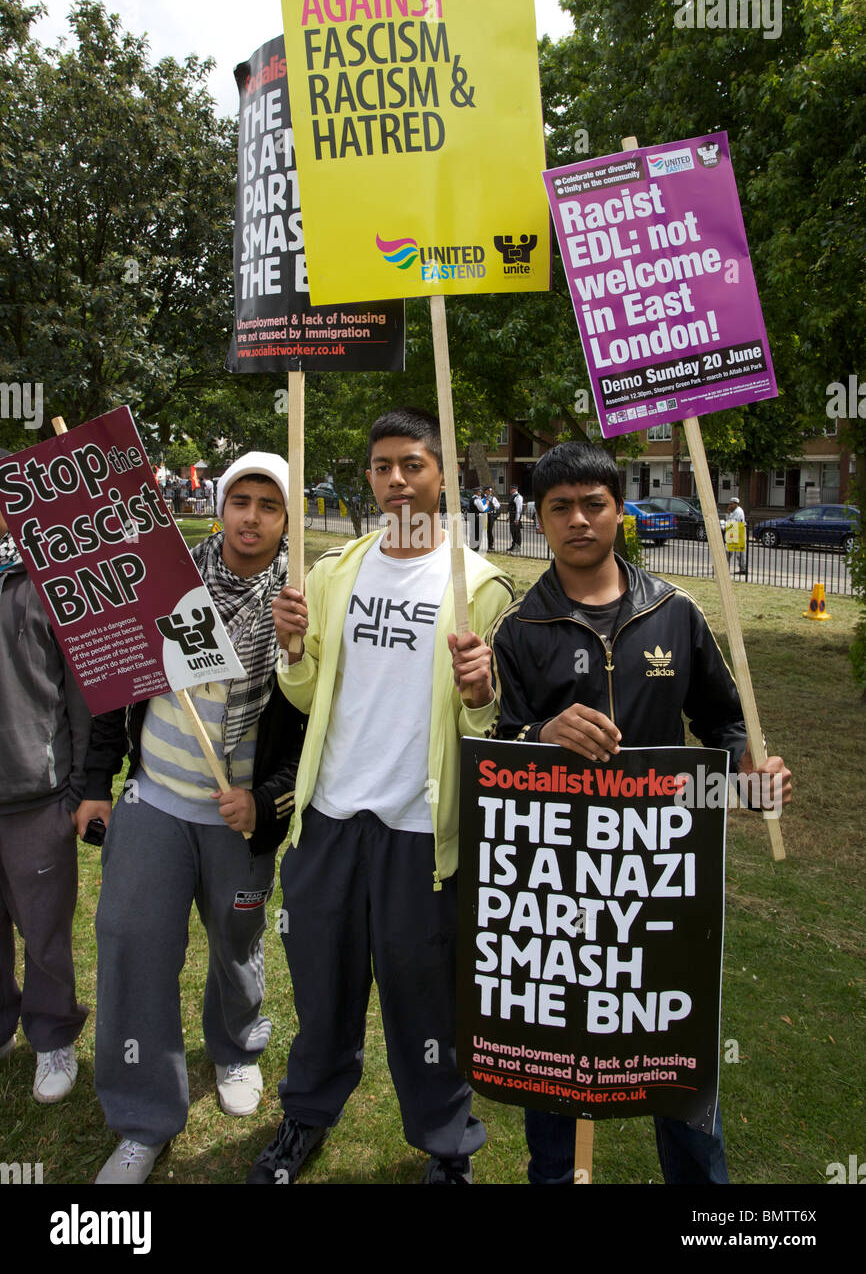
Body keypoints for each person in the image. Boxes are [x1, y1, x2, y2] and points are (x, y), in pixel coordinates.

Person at [488, 442, 791, 1185]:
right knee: (554, 1065)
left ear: (619, 512)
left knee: (676, 1066)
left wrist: (747, 775)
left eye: (594, 503)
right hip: (557, 887)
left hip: (665, 878)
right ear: (540, 519)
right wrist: (541, 735)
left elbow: (722, 726)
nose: (579, 520)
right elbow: (498, 752)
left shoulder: (675, 612)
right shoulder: (519, 628)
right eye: (560, 508)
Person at [249, 408, 514, 1185]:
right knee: (322, 988)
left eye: (413, 464)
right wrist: (292, 647)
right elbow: (301, 692)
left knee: (424, 1000)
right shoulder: (334, 571)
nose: (396, 479)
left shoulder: (483, 587)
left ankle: (445, 1144)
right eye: (381, 466)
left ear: (443, 475)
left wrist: (482, 692)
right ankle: (304, 1119)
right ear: (367, 475)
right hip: (329, 818)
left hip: (420, 833)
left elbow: (489, 718)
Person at [77, 452, 306, 1184]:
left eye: (269, 506)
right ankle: (143, 1118)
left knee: (237, 939)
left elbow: (311, 726)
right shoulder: (165, 577)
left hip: (239, 820)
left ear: (287, 520)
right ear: (219, 502)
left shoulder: (302, 603)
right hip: (157, 798)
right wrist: (95, 780)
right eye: (239, 499)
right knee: (132, 942)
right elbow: (115, 682)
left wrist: (265, 799)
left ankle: (237, 1047)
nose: (250, 516)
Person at [0, 451, 90, 1102]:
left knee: (46, 934)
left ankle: (54, 1039)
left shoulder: (50, 582)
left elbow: (85, 697)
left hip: (36, 796)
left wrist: (85, 789)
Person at [725, 496, 747, 576]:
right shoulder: (734, 511)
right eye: (729, 504)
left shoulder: (738, 511)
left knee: (739, 552)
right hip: (734, 532)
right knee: (729, 550)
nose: (730, 505)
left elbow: (732, 521)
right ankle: (724, 566)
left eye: (731, 504)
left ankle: (743, 568)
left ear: (735, 504)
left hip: (737, 532)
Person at [508, 483, 524, 554]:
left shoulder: (518, 497)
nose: (510, 490)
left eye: (512, 489)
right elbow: (510, 508)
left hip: (515, 517)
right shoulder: (512, 496)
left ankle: (517, 547)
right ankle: (513, 545)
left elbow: (518, 509)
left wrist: (517, 519)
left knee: (517, 533)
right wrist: (508, 516)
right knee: (513, 532)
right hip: (512, 516)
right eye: (510, 489)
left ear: (515, 489)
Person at [485, 486, 501, 553]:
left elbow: (497, 506)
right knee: (484, 531)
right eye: (488, 491)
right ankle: (486, 544)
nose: (489, 492)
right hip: (484, 516)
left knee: (489, 530)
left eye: (490, 491)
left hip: (490, 516)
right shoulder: (483, 497)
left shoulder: (493, 498)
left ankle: (490, 545)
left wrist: (491, 511)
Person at [470, 486, 485, 551]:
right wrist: (486, 504)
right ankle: (476, 546)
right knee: (478, 532)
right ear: (477, 492)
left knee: (473, 531)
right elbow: (482, 509)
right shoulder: (477, 500)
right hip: (477, 517)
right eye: (480, 492)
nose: (480, 493)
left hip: (472, 517)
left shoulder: (471, 498)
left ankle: (472, 545)